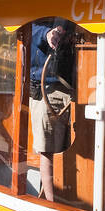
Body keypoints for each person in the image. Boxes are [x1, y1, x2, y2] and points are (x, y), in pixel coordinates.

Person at [29, 20, 75, 201]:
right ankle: (51, 203)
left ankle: (61, 197)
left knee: (71, 146)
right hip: (48, 88)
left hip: (75, 87)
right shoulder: (38, 17)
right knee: (47, 148)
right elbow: (29, 28)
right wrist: (47, 33)